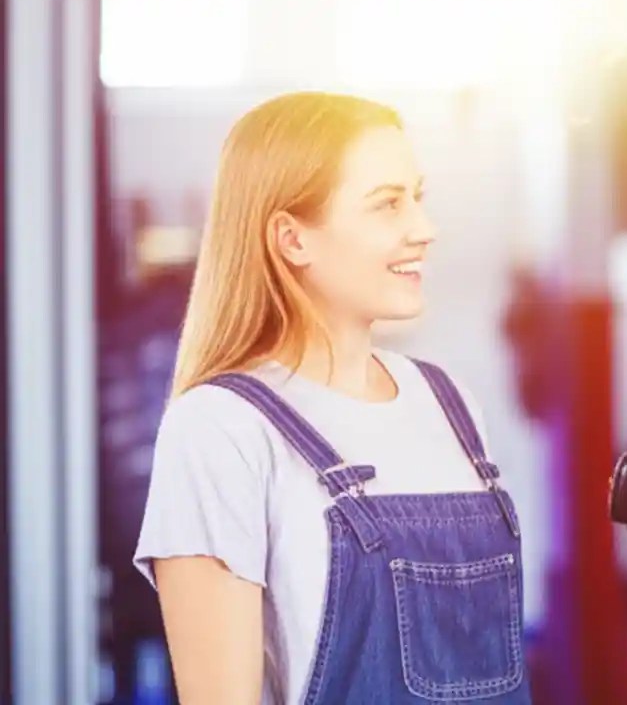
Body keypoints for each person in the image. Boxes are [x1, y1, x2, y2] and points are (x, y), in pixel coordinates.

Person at [133, 91, 532, 705]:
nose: (424, 230)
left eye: (417, 198)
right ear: (293, 239)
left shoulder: (449, 404)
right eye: (387, 205)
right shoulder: (220, 429)